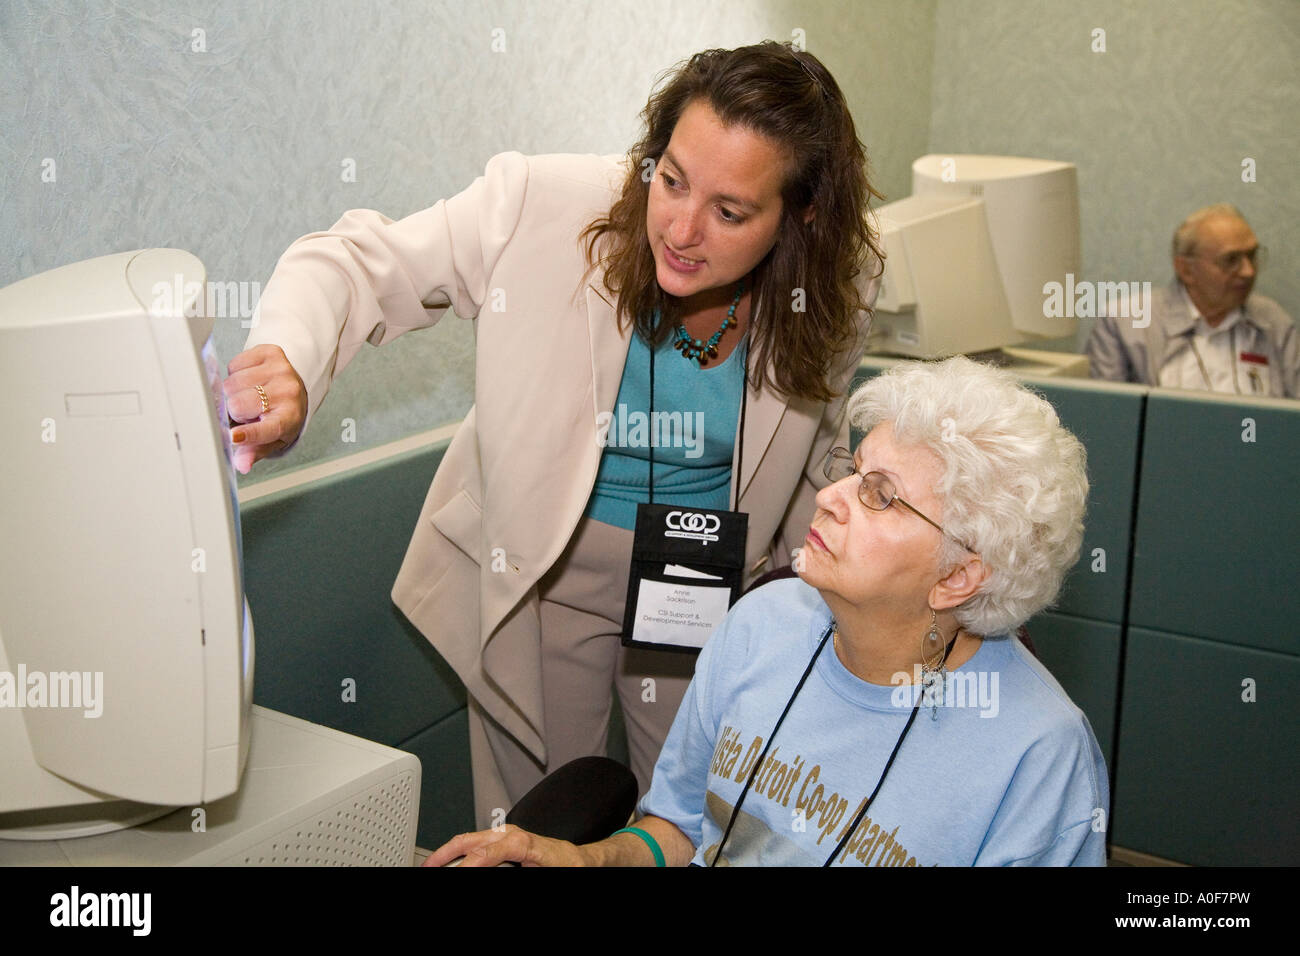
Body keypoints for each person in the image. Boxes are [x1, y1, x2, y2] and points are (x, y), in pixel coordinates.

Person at [225, 41, 883, 827]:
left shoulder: (842, 282)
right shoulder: (542, 203)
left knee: (704, 820)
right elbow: (356, 261)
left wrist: (805, 605)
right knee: (539, 823)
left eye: (730, 212)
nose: (679, 227)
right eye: (670, 179)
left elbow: (818, 447)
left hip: (708, 583)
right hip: (544, 572)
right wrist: (288, 358)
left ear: (801, 216)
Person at [426, 357, 1107, 866]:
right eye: (851, 467)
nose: (831, 495)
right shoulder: (763, 622)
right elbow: (677, 828)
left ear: (959, 575)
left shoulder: (1039, 754)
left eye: (879, 494)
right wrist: (580, 858)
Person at [1087, 203, 1298, 398]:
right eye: (1231, 260)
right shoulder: (1126, 321)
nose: (1248, 271)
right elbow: (1108, 417)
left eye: (1251, 256)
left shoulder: (1273, 321)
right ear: (1186, 269)